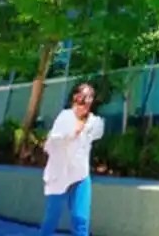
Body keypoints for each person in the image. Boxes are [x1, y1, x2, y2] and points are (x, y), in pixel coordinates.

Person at [41, 83, 103, 236]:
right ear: (75, 98)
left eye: (90, 98)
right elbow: (49, 145)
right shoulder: (65, 117)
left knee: (80, 220)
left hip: (80, 176)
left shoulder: (93, 121)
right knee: (51, 220)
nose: (86, 102)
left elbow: (98, 132)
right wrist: (71, 135)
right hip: (59, 175)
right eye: (83, 97)